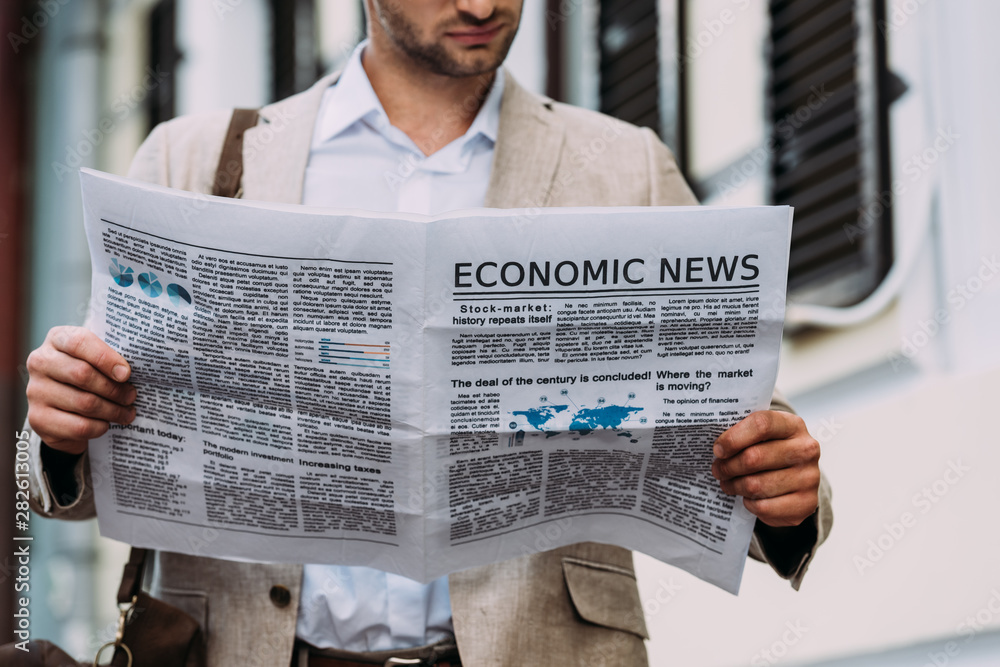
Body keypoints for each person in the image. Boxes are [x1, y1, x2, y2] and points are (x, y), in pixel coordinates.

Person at [25, 1, 832, 664]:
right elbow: (75, 484)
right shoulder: (194, 162)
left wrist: (785, 494)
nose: (483, 7)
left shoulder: (624, 168)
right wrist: (60, 432)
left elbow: (737, 424)